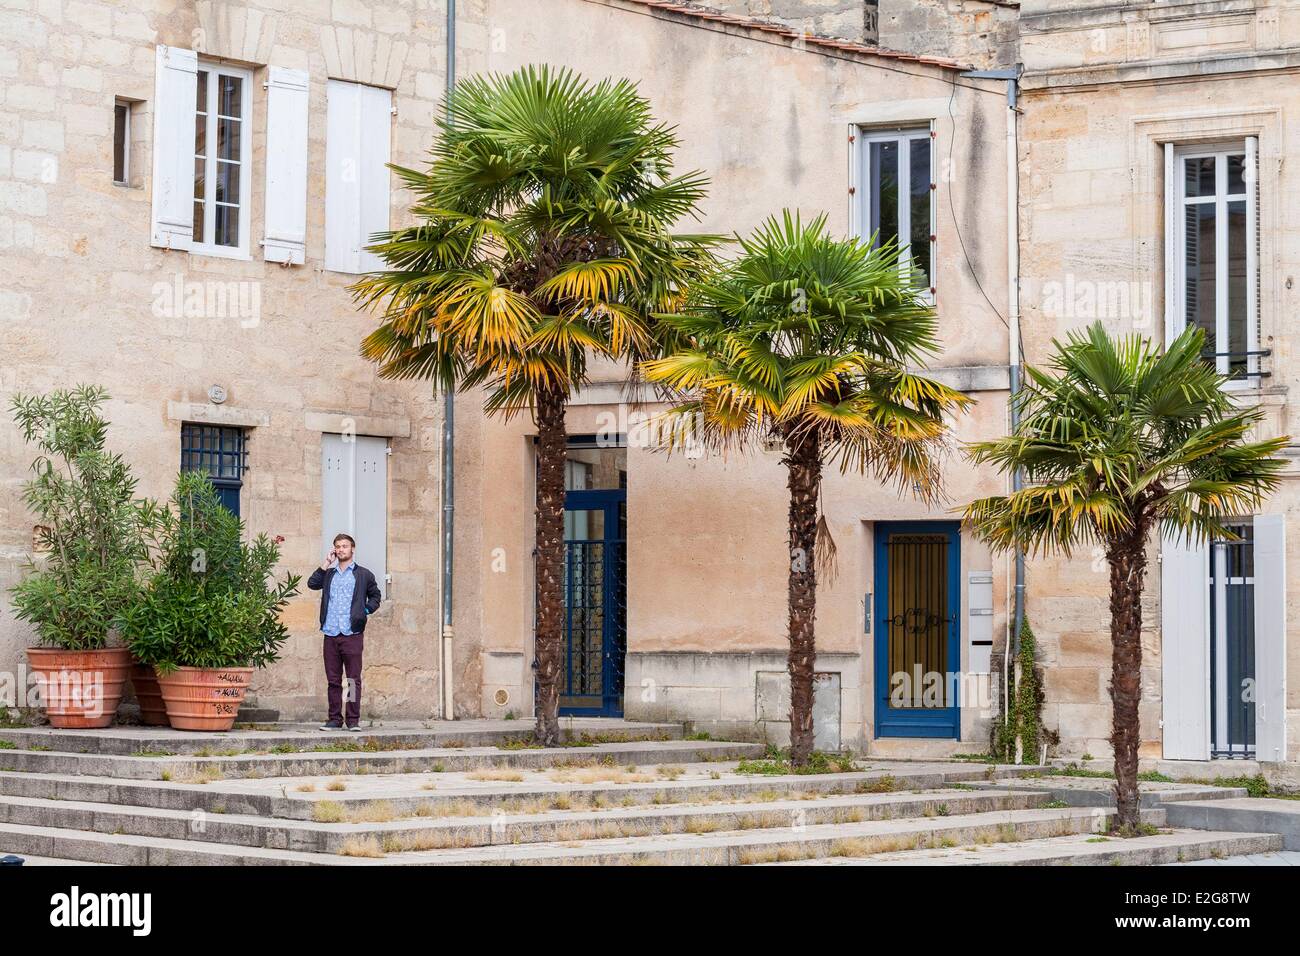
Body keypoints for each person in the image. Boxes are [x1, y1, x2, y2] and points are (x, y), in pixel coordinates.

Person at [307, 533, 382, 730]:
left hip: (352, 634)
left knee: (352, 680)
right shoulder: (329, 574)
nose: (341, 549)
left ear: (352, 549)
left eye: (345, 546)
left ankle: (353, 720)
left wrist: (364, 611)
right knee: (333, 680)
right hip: (330, 633)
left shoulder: (363, 574)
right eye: (338, 547)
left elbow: (375, 596)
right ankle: (334, 719)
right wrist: (325, 563)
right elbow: (312, 583)